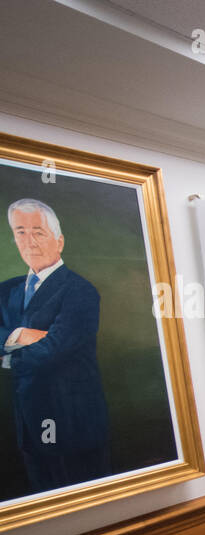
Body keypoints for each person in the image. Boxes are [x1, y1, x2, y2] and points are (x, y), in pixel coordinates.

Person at [0, 198, 110, 494]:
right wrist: (22, 334)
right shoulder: (6, 290)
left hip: (72, 425)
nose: (29, 241)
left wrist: (6, 353)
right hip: (25, 424)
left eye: (38, 232)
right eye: (20, 232)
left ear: (59, 242)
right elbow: (43, 346)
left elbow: (53, 351)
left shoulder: (80, 291)